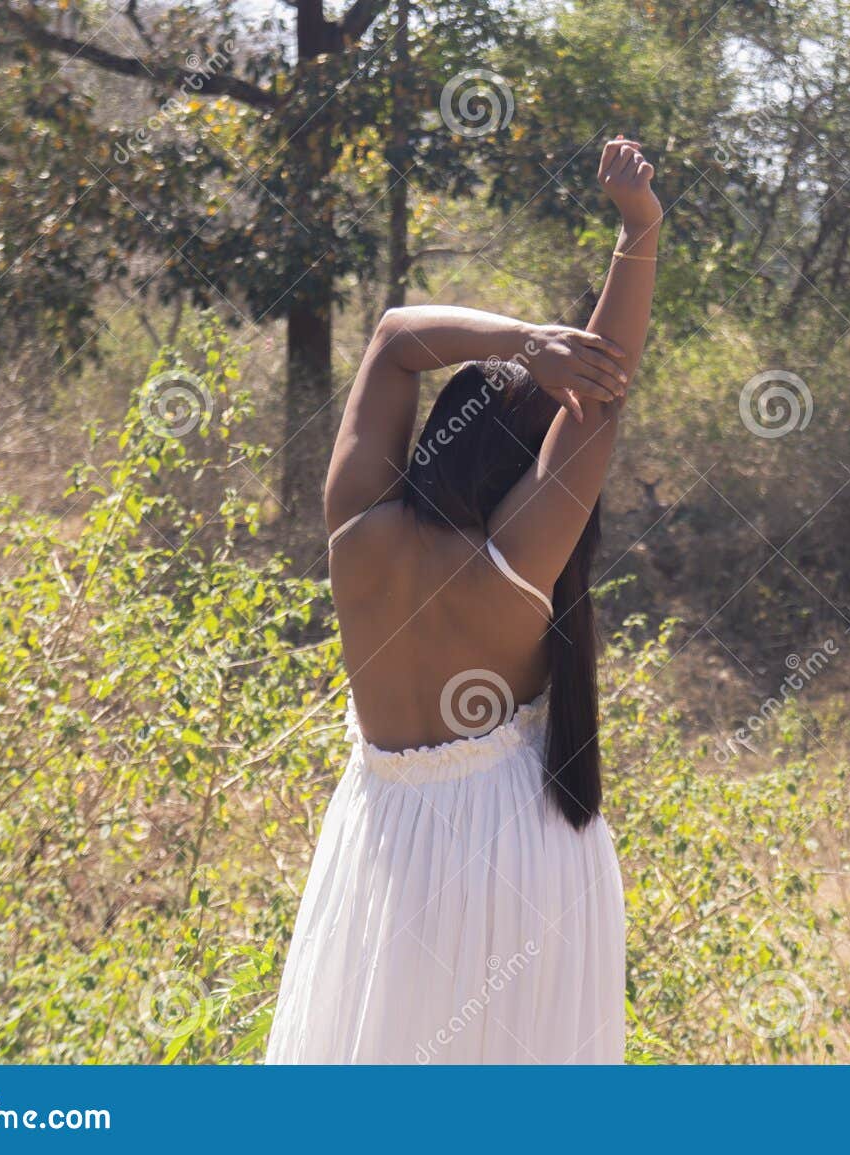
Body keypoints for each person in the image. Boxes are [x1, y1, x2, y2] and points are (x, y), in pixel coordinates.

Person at [265, 138, 660, 1063]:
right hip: (513, 852)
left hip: (378, 835)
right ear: (526, 480)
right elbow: (604, 388)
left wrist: (528, 346)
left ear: (442, 431)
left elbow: (397, 338)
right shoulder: (516, 565)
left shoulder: (355, 524)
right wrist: (637, 230)